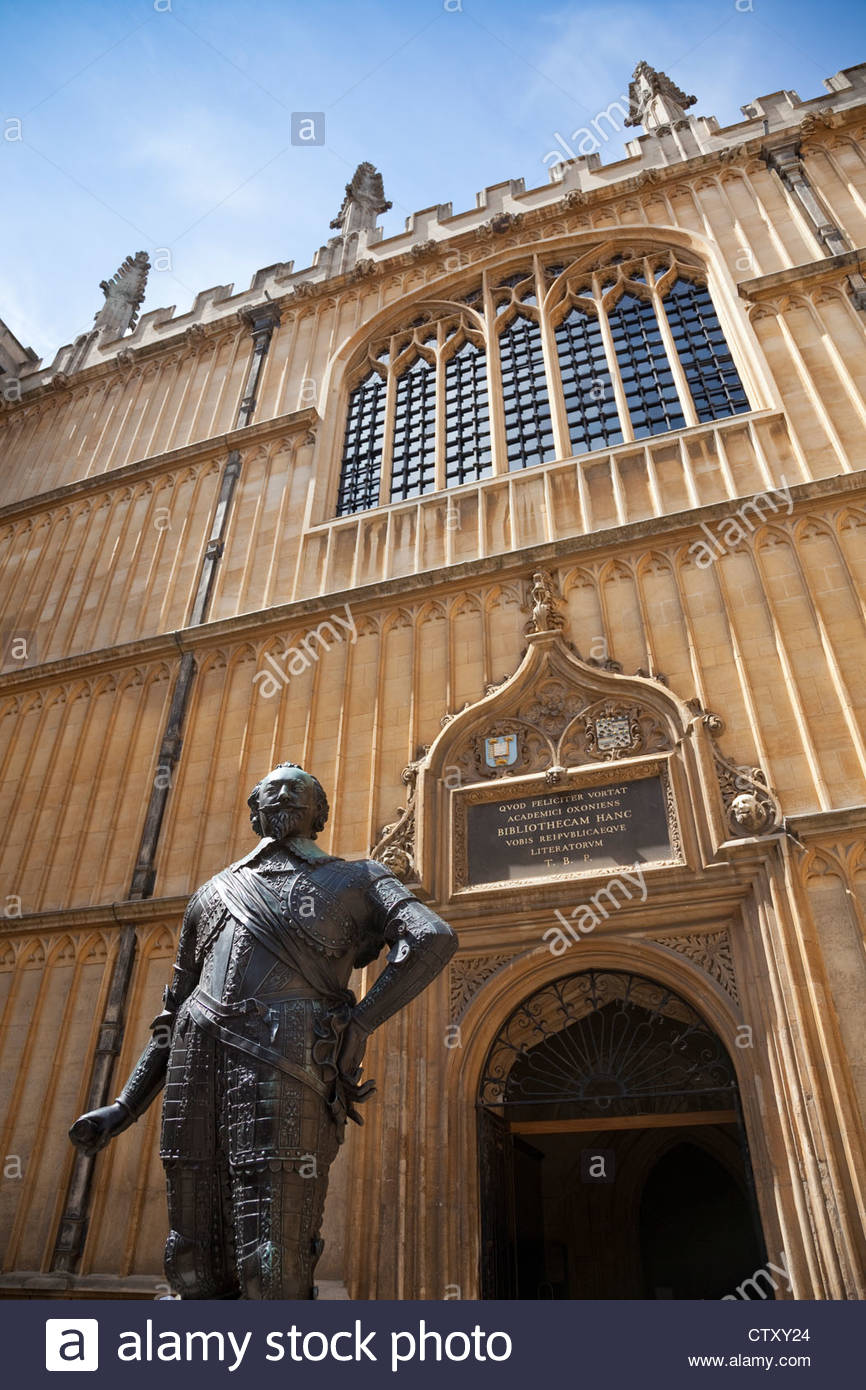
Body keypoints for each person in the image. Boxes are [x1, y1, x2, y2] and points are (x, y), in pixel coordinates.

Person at [70, 761, 457, 1299]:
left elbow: (431, 937)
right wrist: (125, 1105)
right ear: (254, 813)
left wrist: (362, 1020)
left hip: (288, 1058)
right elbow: (173, 1013)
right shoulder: (210, 895)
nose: (282, 792)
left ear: (318, 814)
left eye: (297, 788)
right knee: (191, 1257)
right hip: (193, 1066)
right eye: (269, 789)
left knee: (272, 1260)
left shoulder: (359, 877)